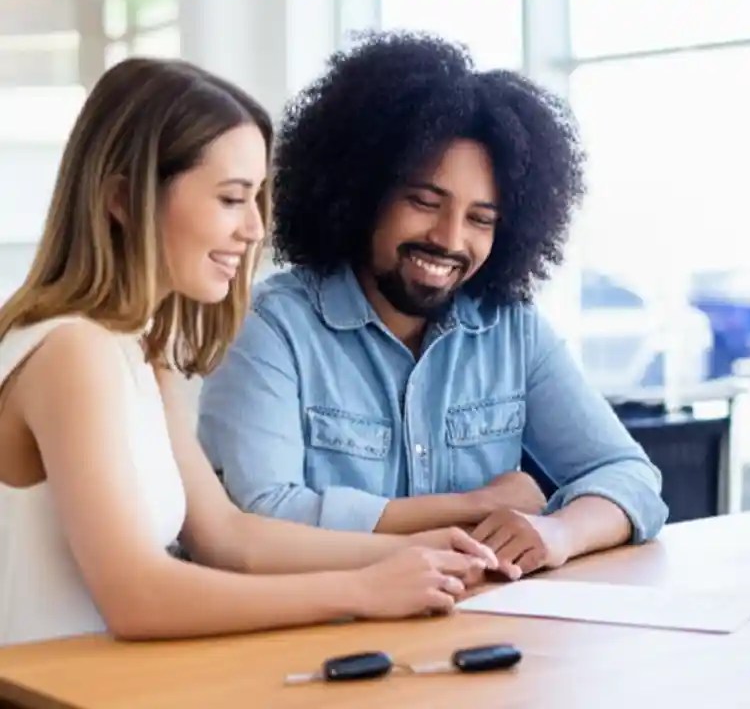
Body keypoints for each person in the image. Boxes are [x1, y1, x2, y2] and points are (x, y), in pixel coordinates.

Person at [0, 58, 502, 647]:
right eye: (232, 199)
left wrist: (411, 550)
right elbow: (139, 596)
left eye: (258, 198)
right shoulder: (72, 353)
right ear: (120, 198)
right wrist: (363, 591)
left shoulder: (136, 350)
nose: (256, 230)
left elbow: (228, 537)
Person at [197, 32, 668, 581]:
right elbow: (263, 517)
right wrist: (470, 507)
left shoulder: (511, 328)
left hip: (474, 632)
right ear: (360, 191)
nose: (449, 239)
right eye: (424, 202)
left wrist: (554, 533)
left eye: (480, 220)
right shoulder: (271, 325)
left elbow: (629, 475)